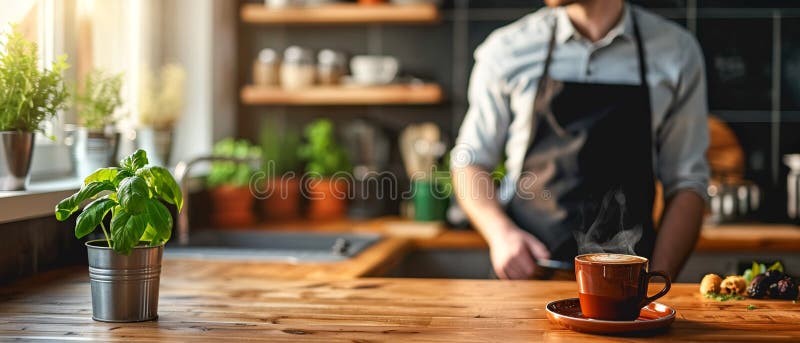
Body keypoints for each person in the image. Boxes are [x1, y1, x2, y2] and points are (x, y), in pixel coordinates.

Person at [451, 0, 709, 280]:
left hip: (626, 285)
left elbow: (687, 183)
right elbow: (470, 162)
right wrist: (501, 234)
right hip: (527, 276)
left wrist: (656, 280)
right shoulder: (507, 49)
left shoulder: (676, 52)